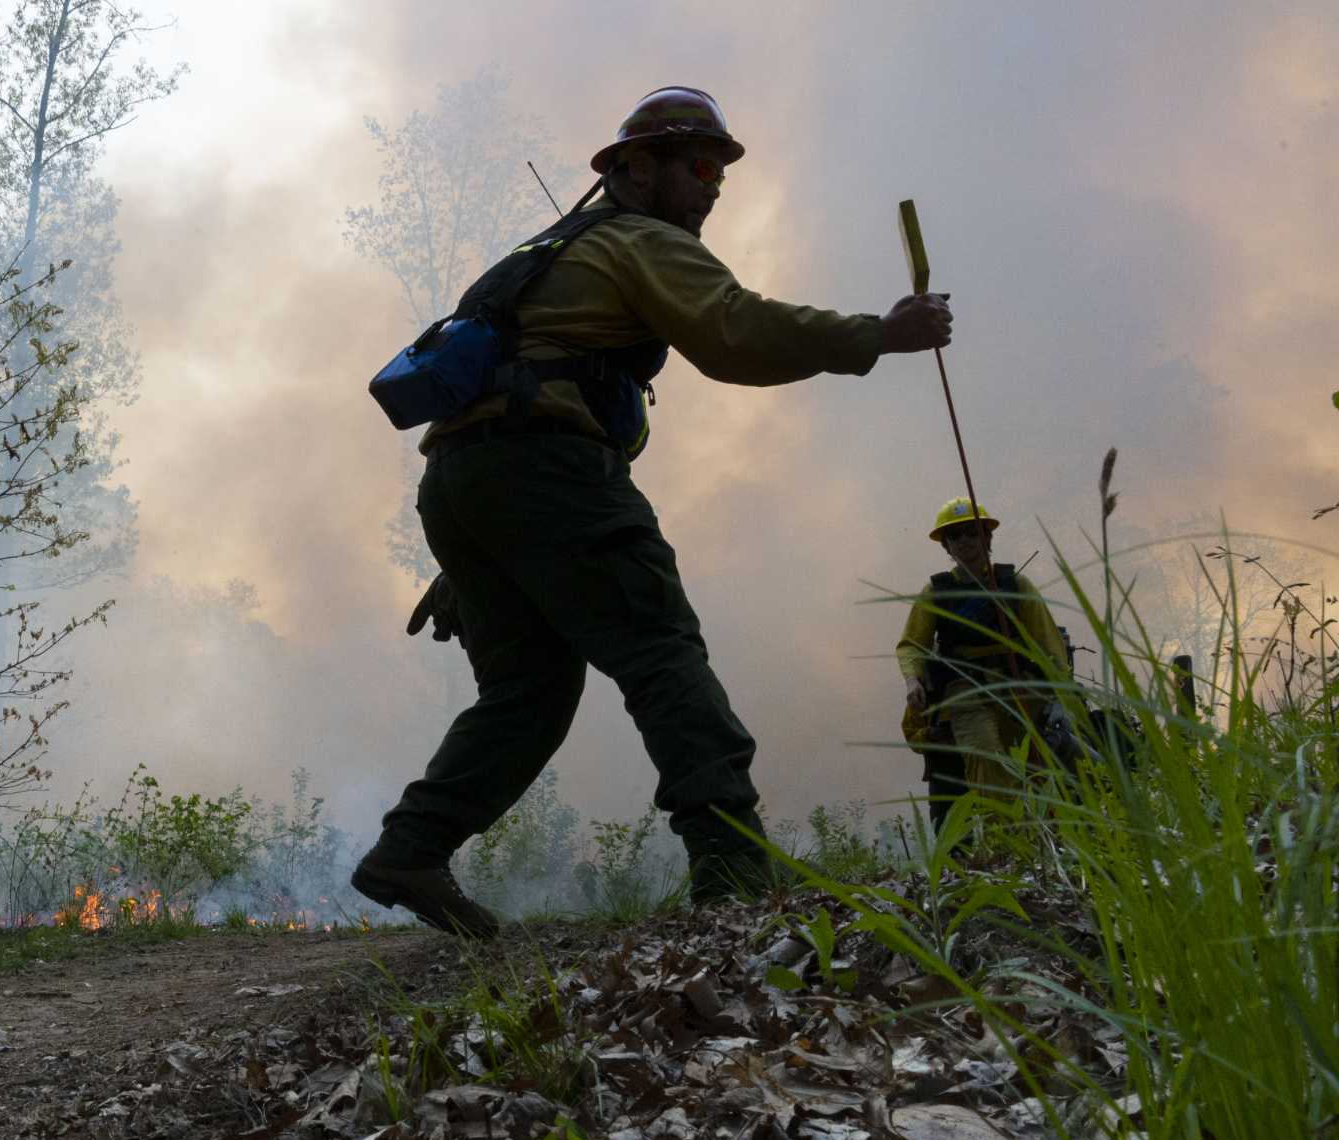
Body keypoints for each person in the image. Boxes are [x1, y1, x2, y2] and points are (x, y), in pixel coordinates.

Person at [350, 87, 957, 937]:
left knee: (528, 690)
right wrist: (877, 335)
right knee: (662, 653)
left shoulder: (541, 256)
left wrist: (475, 561)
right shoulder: (640, 240)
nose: (713, 187)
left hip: (466, 486)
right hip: (553, 473)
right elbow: (733, 330)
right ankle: (734, 869)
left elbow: (486, 397)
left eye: (720, 171)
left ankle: (410, 848)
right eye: (699, 164)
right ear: (634, 169)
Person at [896, 497, 1068, 813]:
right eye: (955, 536)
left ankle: (1049, 838)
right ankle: (1006, 841)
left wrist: (1059, 695)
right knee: (985, 755)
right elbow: (912, 645)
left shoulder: (1014, 584)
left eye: (972, 532)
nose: (964, 541)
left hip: (1018, 684)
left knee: (1036, 760)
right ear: (946, 545)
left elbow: (1049, 641)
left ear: (986, 537)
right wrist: (912, 680)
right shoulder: (936, 592)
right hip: (965, 692)